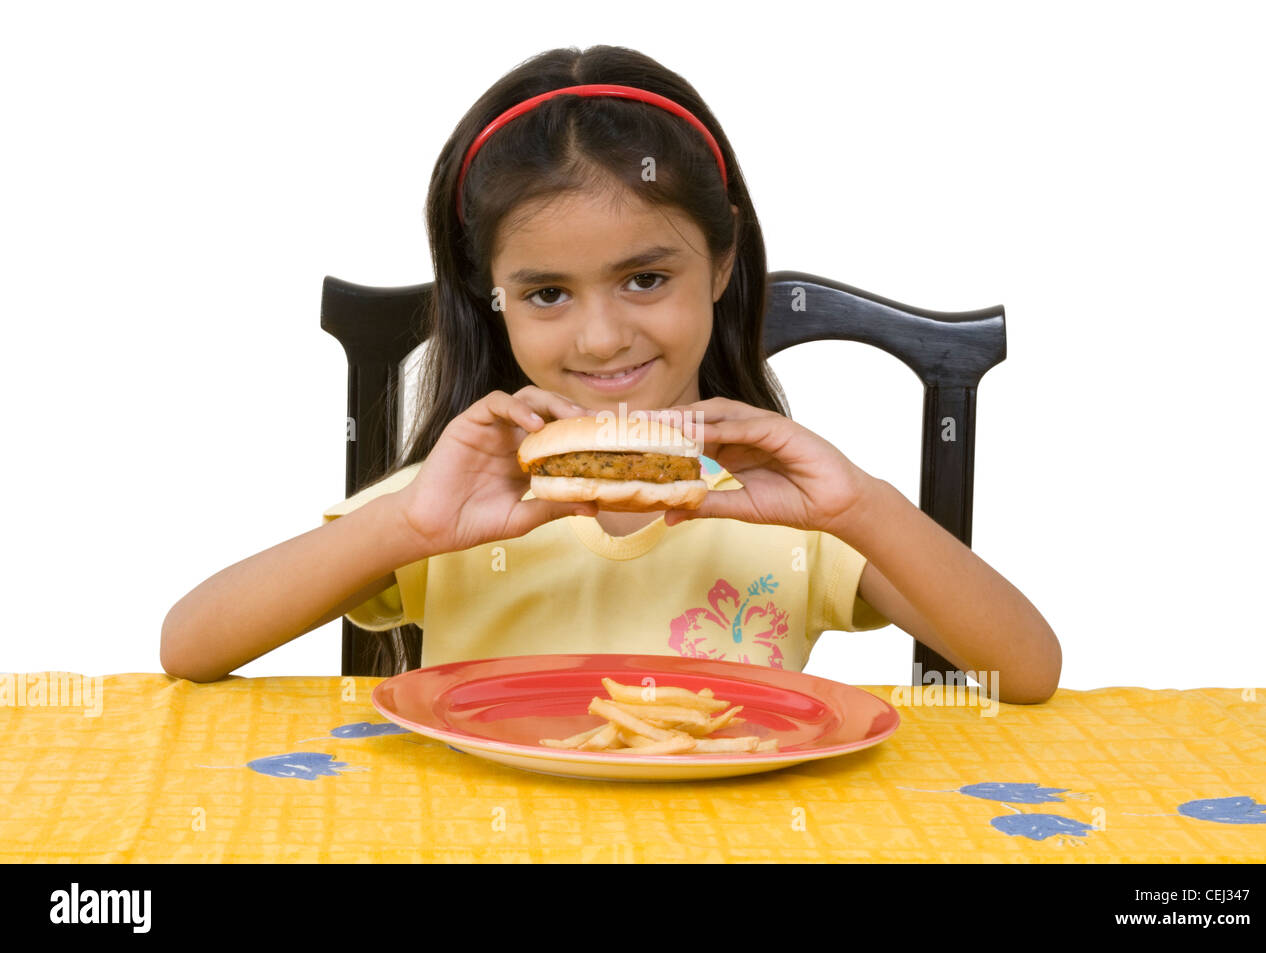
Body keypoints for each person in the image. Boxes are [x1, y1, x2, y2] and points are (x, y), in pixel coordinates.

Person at [161, 45, 1061, 702]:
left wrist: (858, 504)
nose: (600, 336)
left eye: (646, 278)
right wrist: (408, 523)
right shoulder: (459, 497)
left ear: (720, 261)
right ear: (493, 299)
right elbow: (189, 644)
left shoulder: (785, 504)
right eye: (547, 291)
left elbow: (1027, 670)